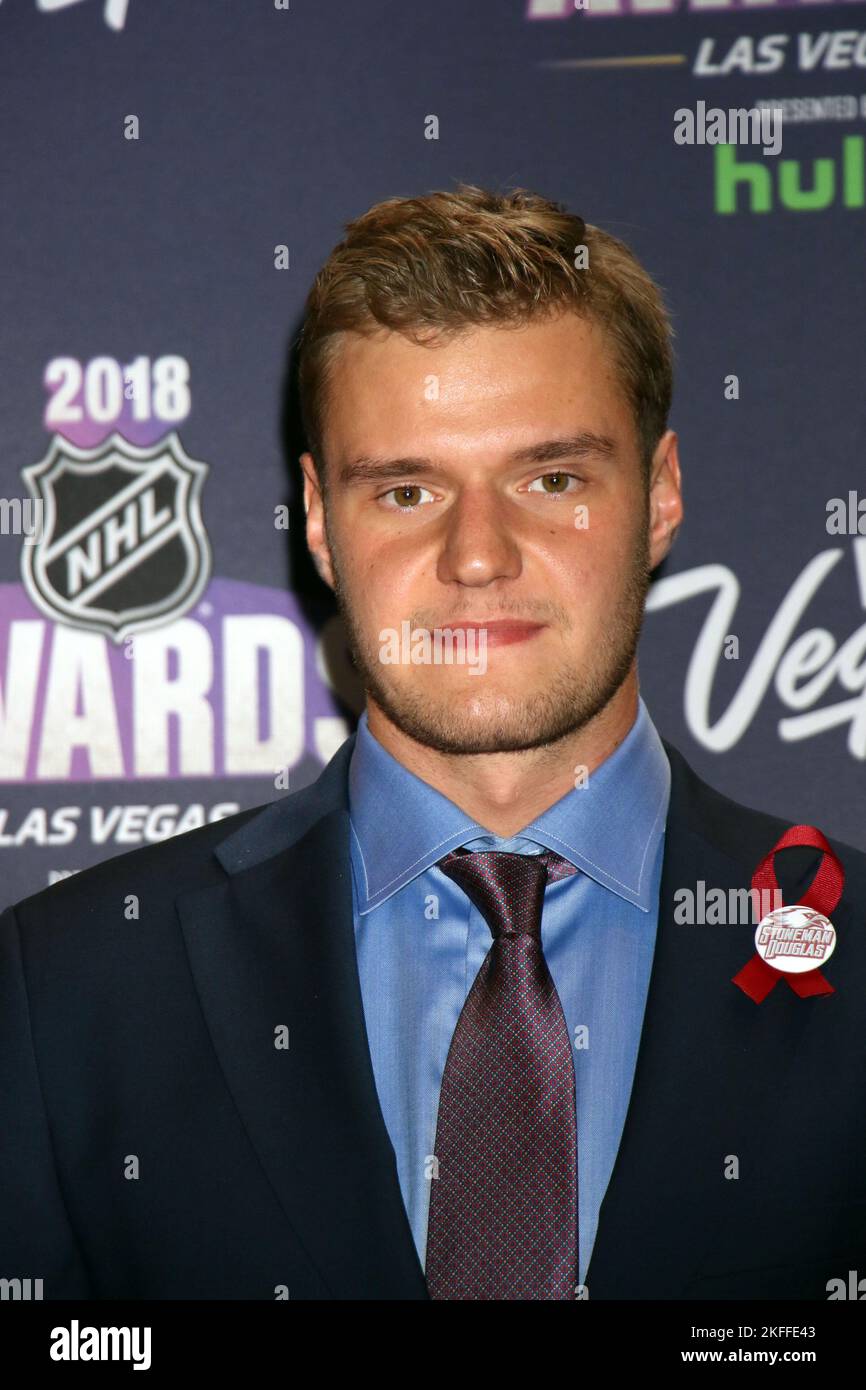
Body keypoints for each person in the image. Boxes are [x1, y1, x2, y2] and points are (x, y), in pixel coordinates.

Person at [2, 184, 865, 1301]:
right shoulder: (68, 990)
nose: (475, 555)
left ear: (658, 495)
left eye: (550, 479)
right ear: (317, 519)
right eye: (405, 489)